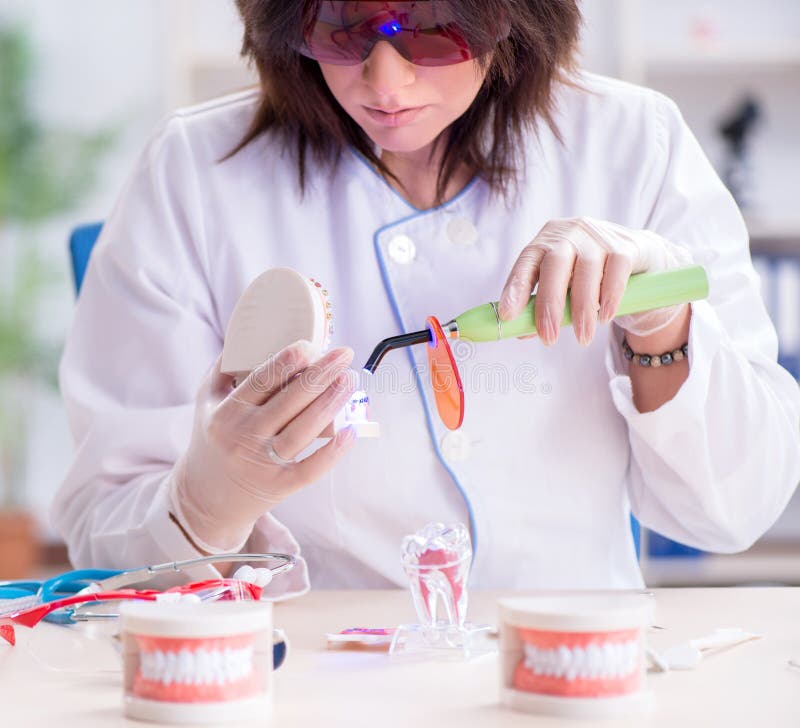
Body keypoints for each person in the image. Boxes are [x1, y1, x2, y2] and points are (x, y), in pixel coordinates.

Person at [53, 1, 800, 597]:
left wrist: (663, 326)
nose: (385, 83)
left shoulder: (635, 144)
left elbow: (734, 510)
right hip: (314, 679)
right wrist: (208, 502)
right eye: (342, 28)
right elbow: (103, 542)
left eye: (432, 30)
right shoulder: (197, 173)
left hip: (571, 665)